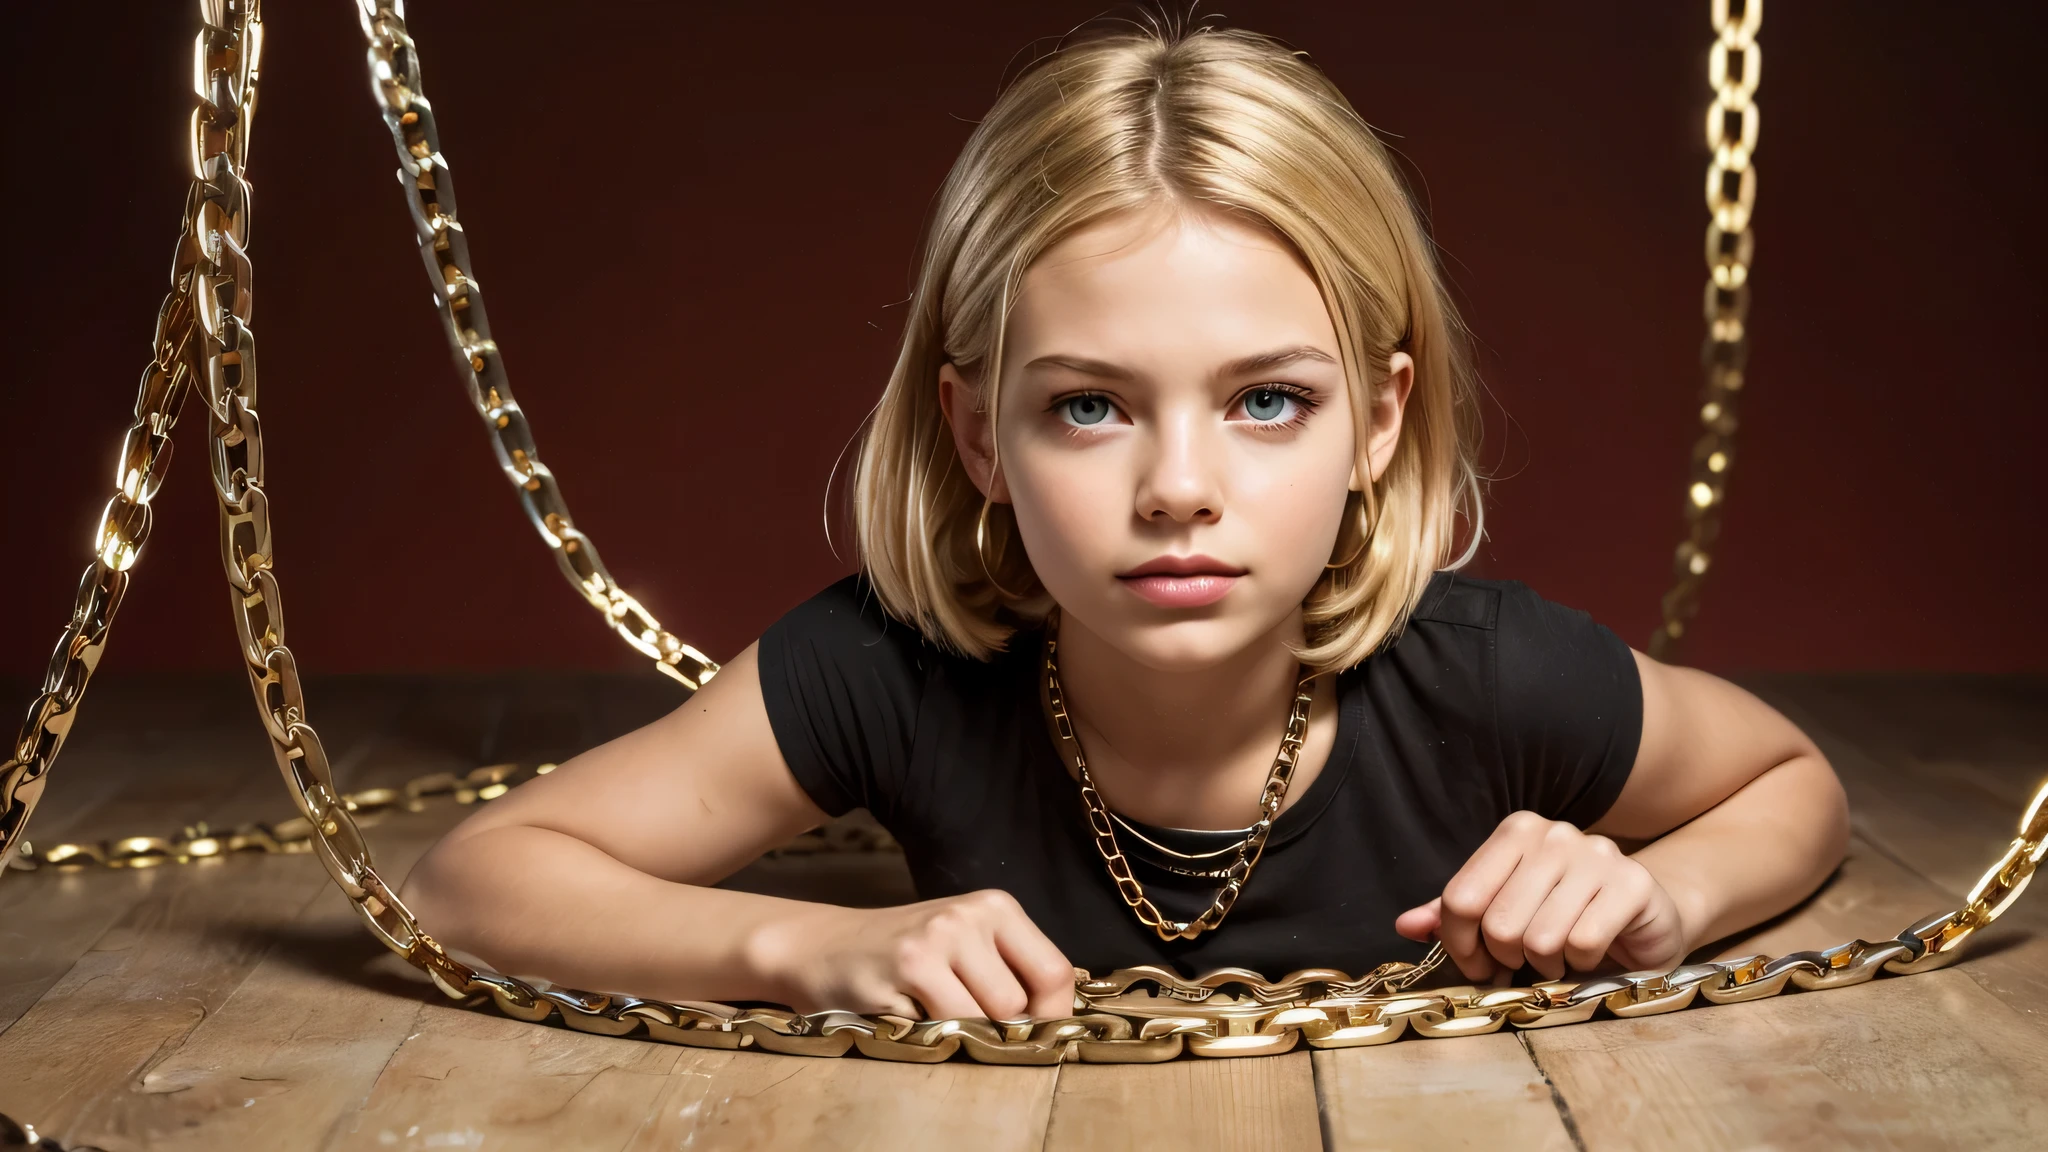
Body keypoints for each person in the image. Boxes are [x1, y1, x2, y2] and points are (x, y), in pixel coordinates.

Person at [396, 21, 1848, 1024]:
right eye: (1090, 406)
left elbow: (1796, 785)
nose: (1178, 487)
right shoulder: (887, 669)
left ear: (1382, 420)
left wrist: (1661, 893)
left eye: (1267, 401)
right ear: (979, 435)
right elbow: (469, 883)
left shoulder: (1484, 673)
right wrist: (806, 944)